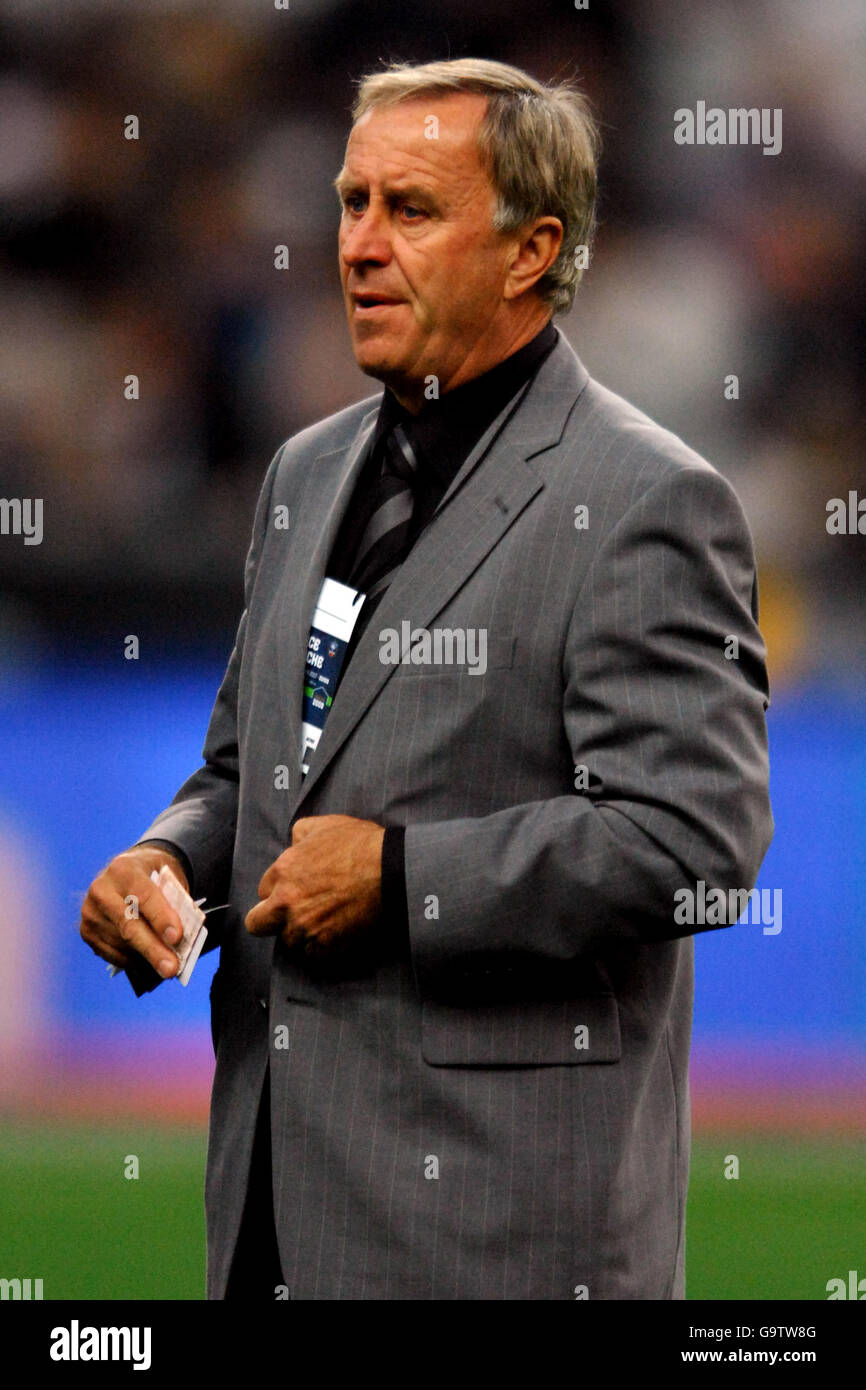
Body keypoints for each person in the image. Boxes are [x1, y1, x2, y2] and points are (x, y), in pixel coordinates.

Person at [80, 57, 773, 1300]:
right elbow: (249, 768)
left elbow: (697, 845)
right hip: (274, 1218)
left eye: (409, 210)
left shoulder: (641, 499)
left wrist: (403, 879)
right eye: (349, 204)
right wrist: (173, 858)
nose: (355, 245)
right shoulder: (304, 474)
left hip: (503, 1244)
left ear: (529, 249)